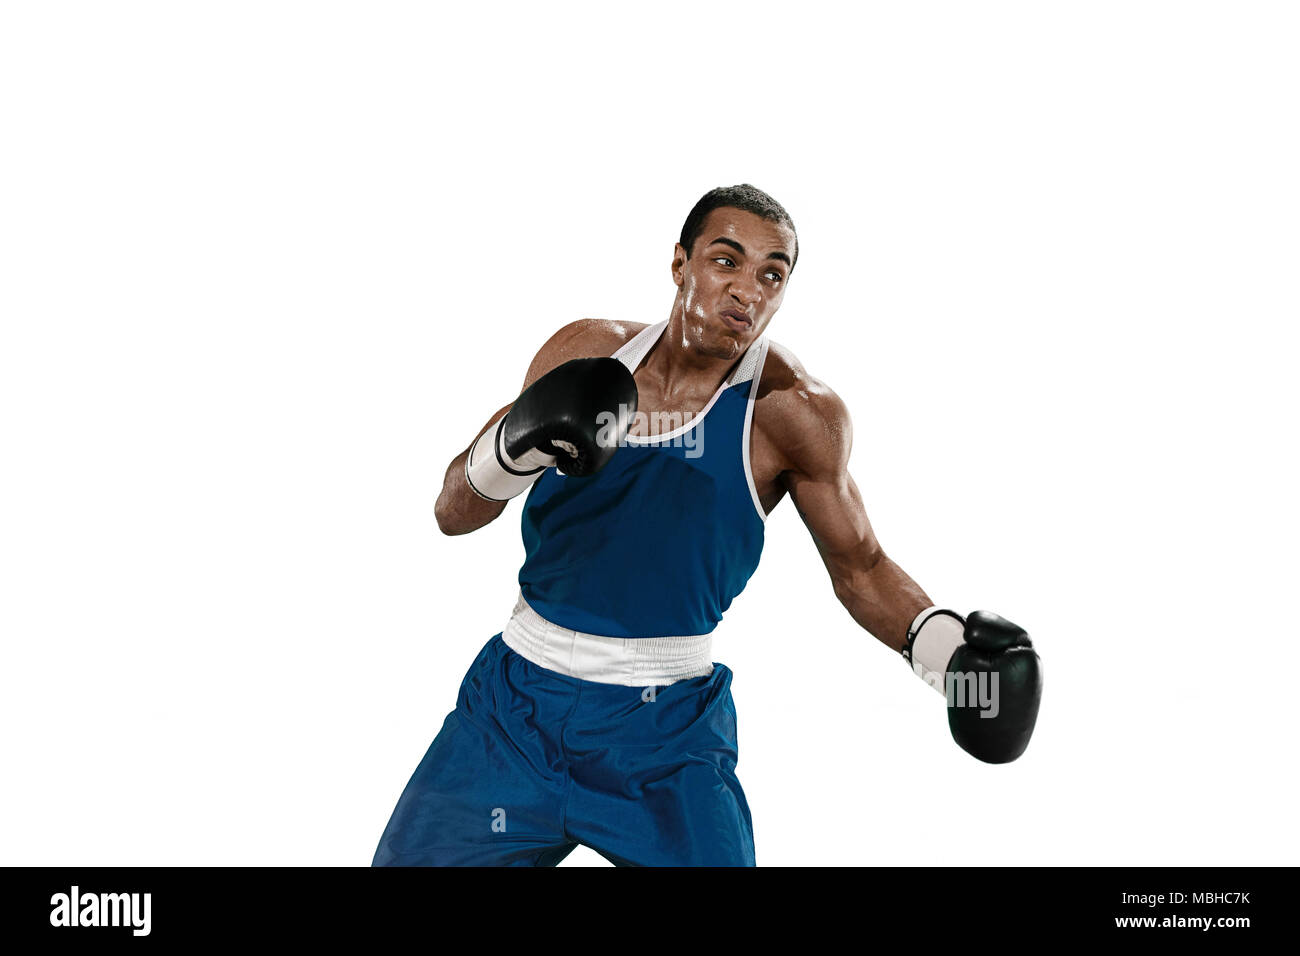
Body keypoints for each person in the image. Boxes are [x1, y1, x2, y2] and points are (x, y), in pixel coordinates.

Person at [371, 184, 1042, 867]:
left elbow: (861, 567)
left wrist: (951, 659)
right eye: (727, 261)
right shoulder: (587, 352)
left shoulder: (791, 412)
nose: (747, 290)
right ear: (680, 264)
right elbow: (452, 512)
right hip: (512, 711)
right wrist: (513, 446)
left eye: (771, 275)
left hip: (664, 736)